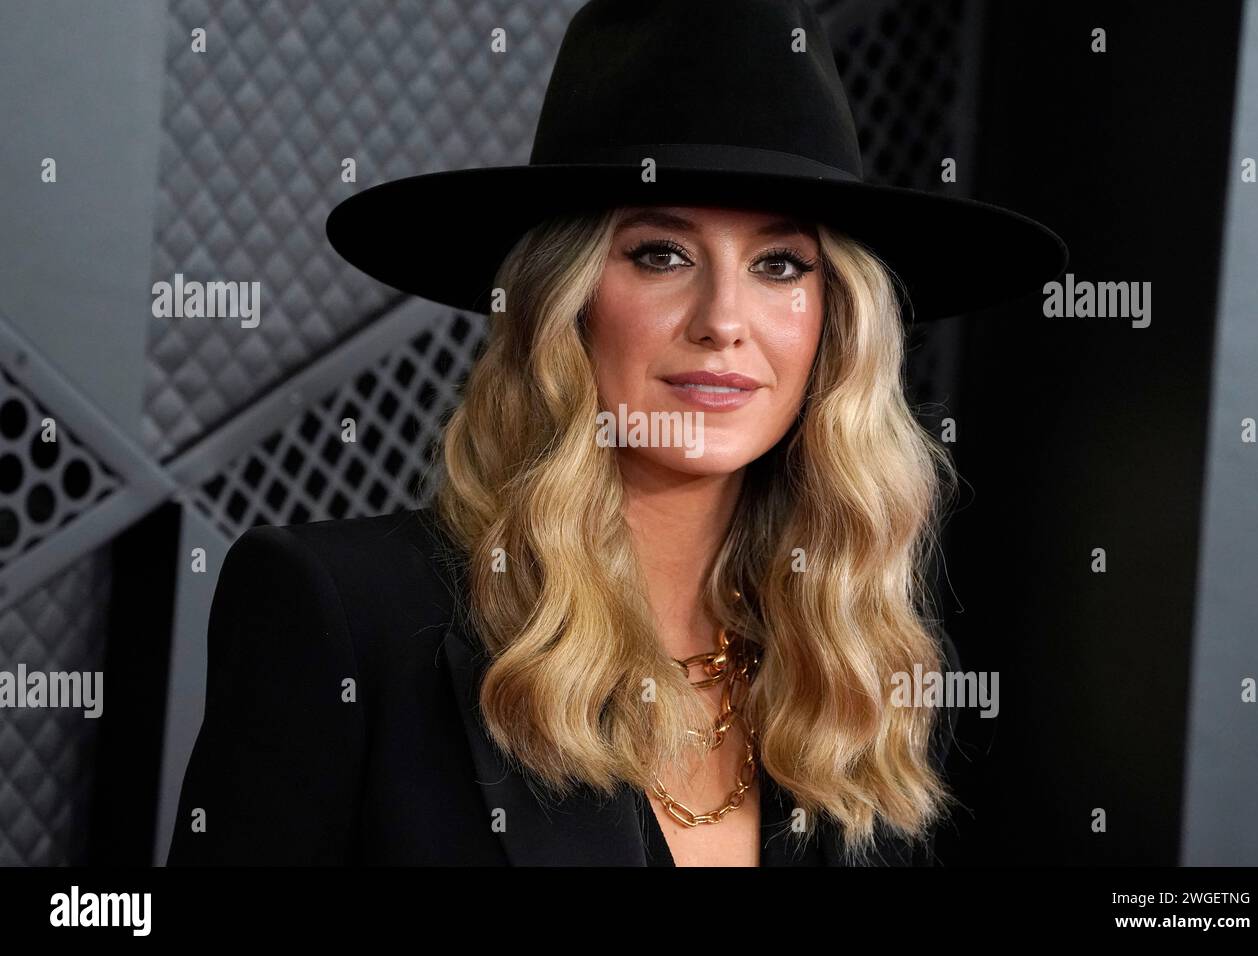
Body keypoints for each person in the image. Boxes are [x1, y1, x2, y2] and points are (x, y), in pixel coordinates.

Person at [167, 0, 1065, 867]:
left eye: (780, 265)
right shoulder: (341, 612)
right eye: (660, 254)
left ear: (836, 323)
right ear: (566, 304)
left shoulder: (853, 666)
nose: (723, 320)